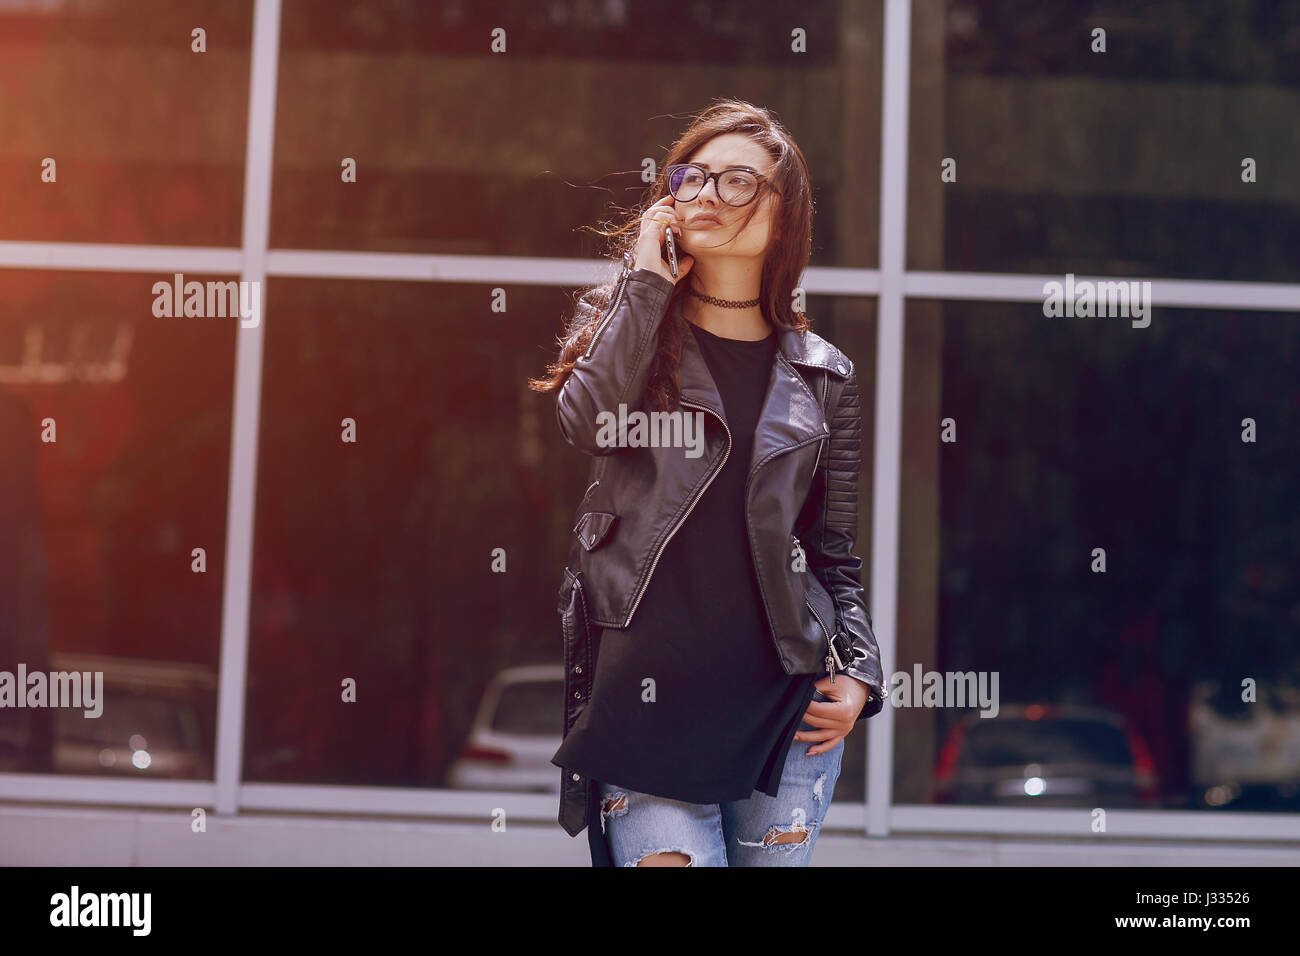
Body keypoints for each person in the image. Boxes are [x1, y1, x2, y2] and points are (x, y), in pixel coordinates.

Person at [529, 99, 886, 866]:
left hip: (784, 709)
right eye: (690, 178)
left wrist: (859, 672)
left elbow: (833, 557)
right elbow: (586, 424)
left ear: (784, 212)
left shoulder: (823, 375)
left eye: (736, 181)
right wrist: (644, 284)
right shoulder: (630, 322)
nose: (705, 196)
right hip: (645, 707)